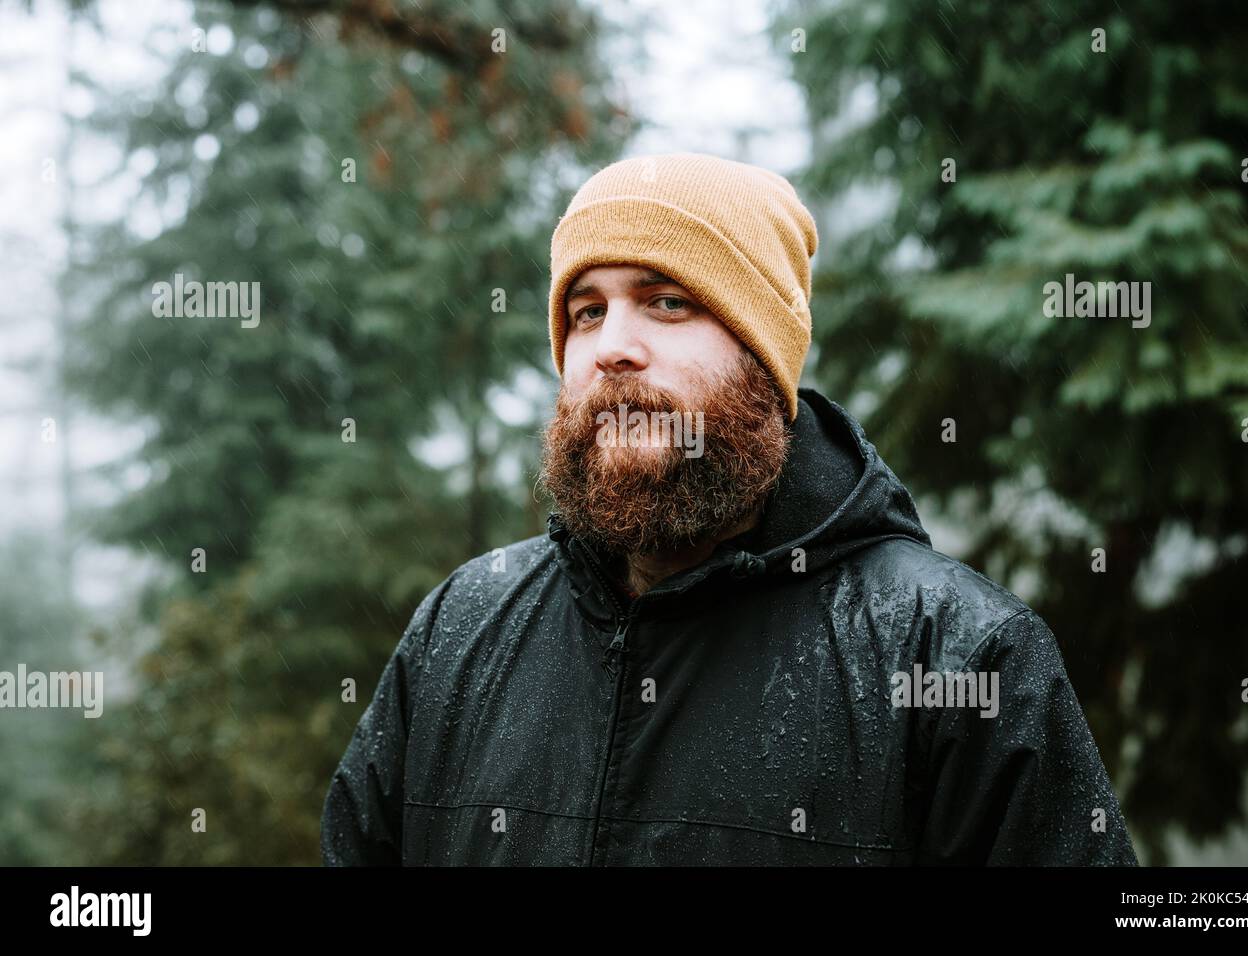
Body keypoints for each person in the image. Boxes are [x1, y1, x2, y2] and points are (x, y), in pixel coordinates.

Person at [321, 152, 1139, 866]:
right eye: (586, 311)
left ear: (764, 356)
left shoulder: (953, 652)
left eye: (668, 300)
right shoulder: (460, 630)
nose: (612, 346)